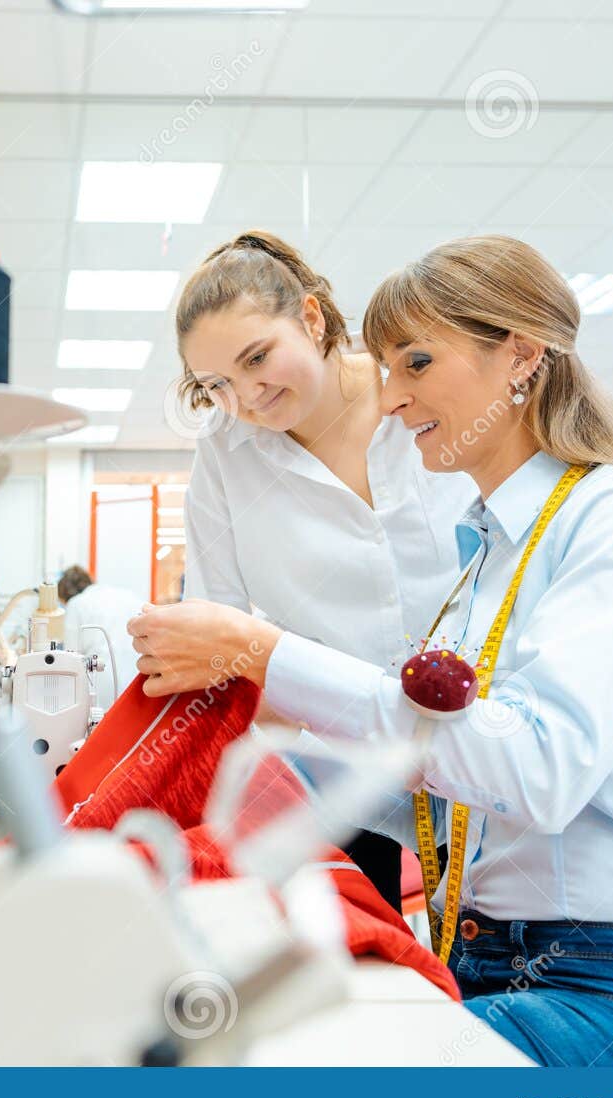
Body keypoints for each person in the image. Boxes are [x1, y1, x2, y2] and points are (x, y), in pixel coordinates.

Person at [129, 235, 613, 1067]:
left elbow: (533, 770)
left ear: (522, 354)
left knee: (281, 1072)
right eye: (389, 369)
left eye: (416, 364)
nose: (389, 401)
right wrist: (253, 801)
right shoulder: (482, 569)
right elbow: (441, 783)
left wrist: (264, 652)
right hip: (496, 960)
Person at [171, 230, 476, 907]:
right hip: (348, 783)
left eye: (258, 358)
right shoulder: (226, 457)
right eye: (216, 384)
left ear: (311, 318)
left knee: (480, 983)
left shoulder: (420, 402)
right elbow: (218, 634)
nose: (247, 396)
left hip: (489, 754)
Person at [56, 566, 142, 709]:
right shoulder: (128, 595)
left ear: (65, 596)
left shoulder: (76, 603)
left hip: (103, 682)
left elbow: (71, 656)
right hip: (138, 678)